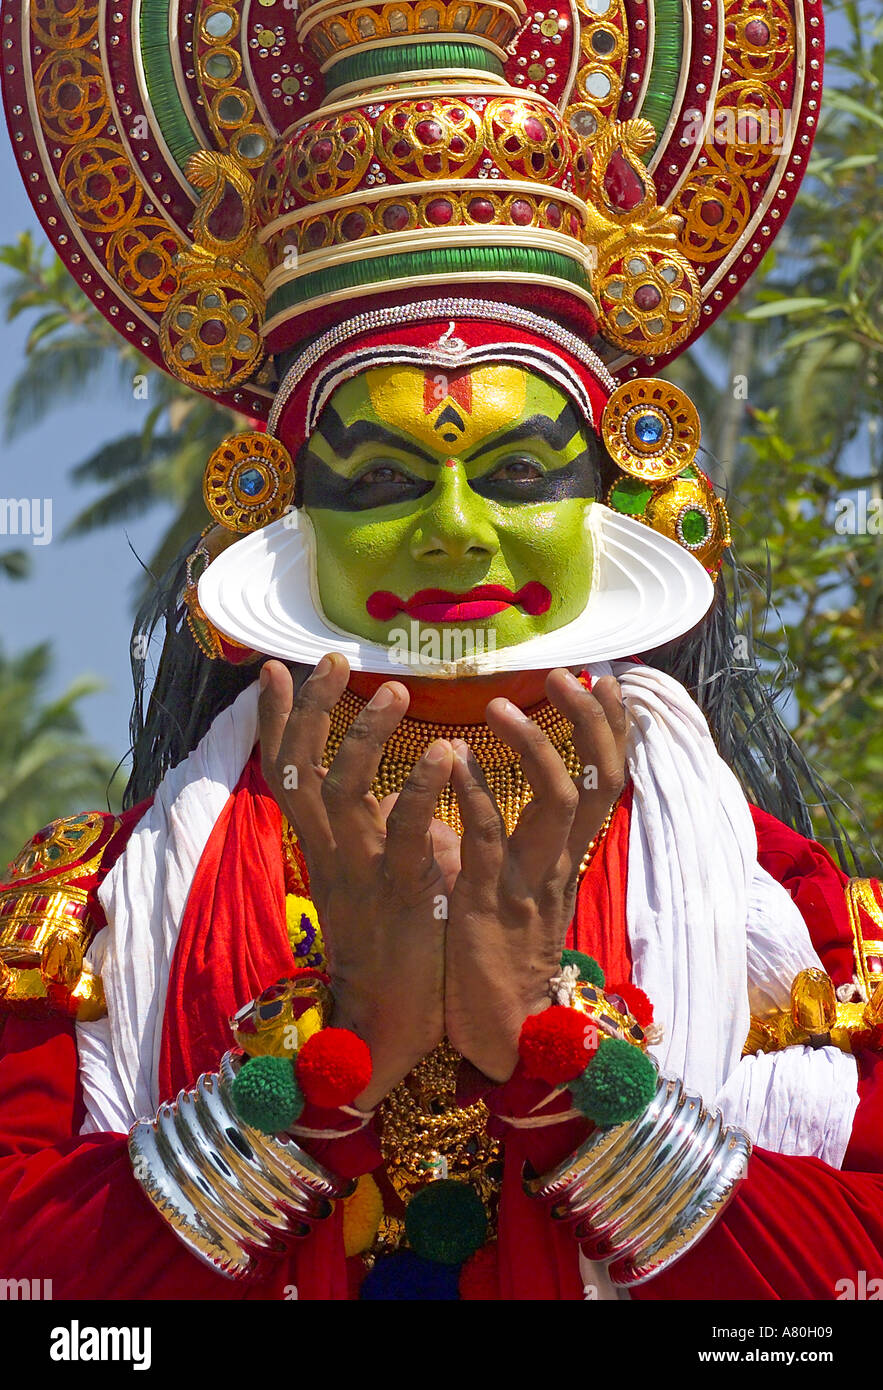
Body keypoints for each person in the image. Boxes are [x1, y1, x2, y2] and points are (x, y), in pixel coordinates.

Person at [3, 0, 883, 1302]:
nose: (460, 533)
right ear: (280, 505)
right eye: (380, 472)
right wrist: (324, 1065)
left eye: (522, 468)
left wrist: (576, 1069)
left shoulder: (794, 915)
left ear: (616, 499)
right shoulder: (101, 910)